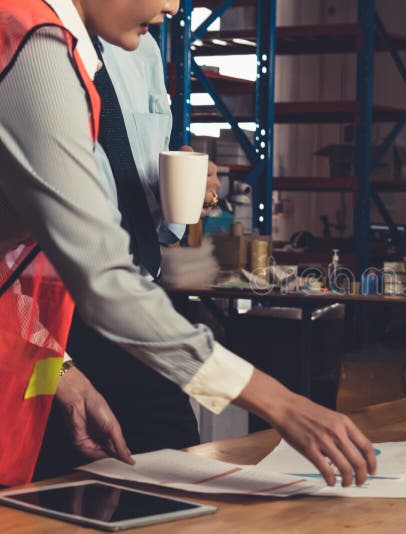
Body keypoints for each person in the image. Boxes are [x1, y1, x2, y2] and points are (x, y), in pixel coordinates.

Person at [0, 0, 375, 488]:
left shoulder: (47, 40)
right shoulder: (34, 45)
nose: (175, 5)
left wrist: (59, 366)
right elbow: (102, 276)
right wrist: (282, 403)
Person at [34, 29, 221, 479]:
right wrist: (52, 366)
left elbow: (153, 217)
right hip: (49, 319)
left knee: (181, 477)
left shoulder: (143, 49)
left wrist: (191, 193)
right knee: (58, 490)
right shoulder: (31, 50)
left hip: (137, 300)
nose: (175, 9)